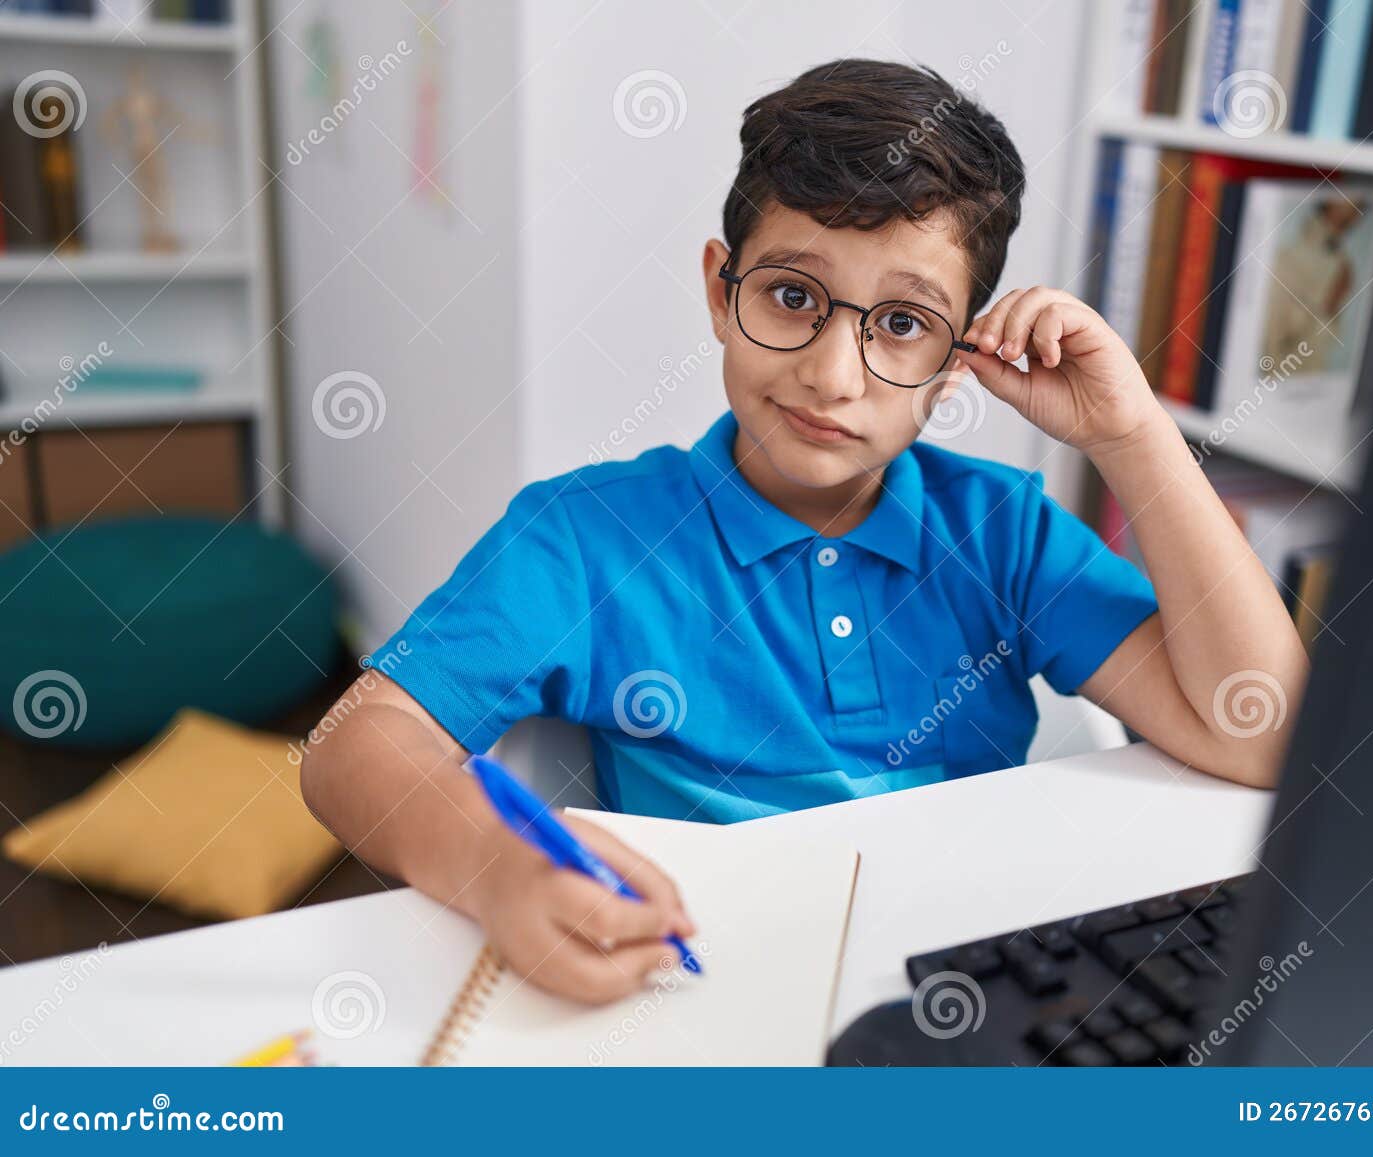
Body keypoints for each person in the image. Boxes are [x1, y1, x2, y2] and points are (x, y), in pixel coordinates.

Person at [301, 60, 1309, 1006]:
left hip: (967, 989)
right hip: (706, 992)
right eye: (792, 297)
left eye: (902, 325)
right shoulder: (588, 536)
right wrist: (496, 872)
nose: (832, 374)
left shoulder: (1000, 532)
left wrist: (1133, 437)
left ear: (959, 358)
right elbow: (351, 749)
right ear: (719, 291)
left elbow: (1260, 734)